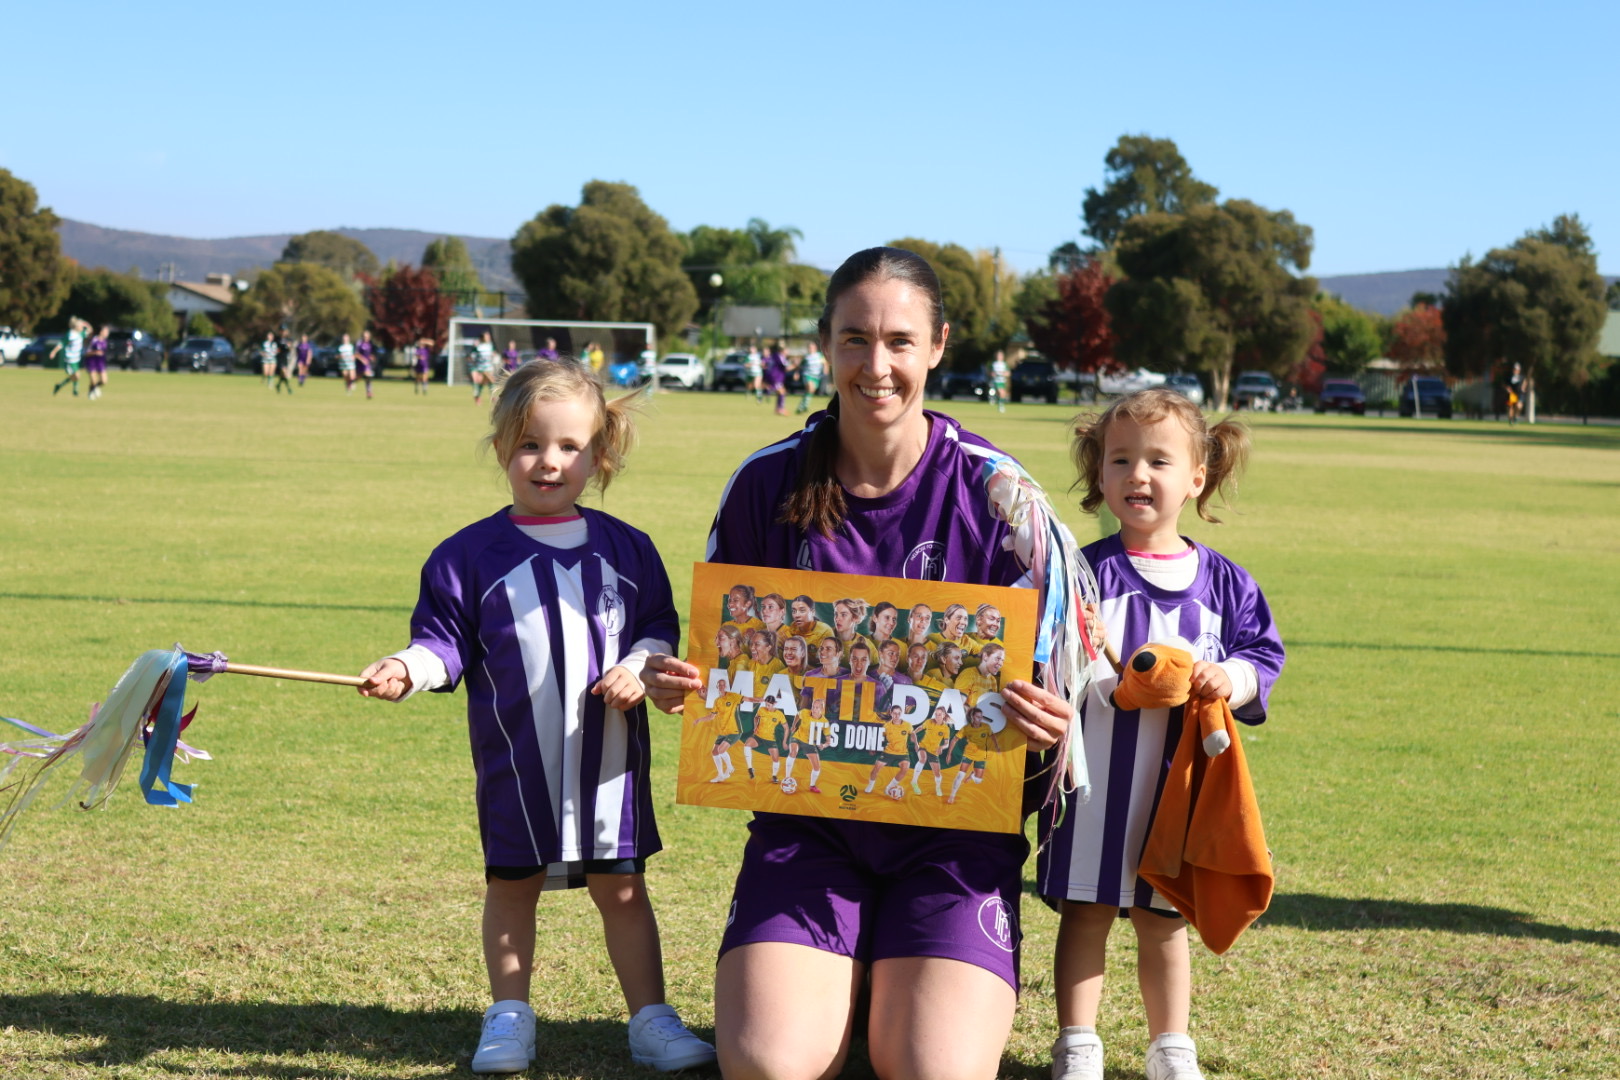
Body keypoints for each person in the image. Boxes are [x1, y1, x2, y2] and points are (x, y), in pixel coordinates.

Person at [641, 246, 1073, 1080]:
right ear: (825, 344)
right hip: (809, 830)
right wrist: (684, 686)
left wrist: (1051, 726)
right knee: (769, 1065)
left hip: (952, 841)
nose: (877, 366)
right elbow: (721, 671)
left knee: (931, 1071)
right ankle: (852, 971)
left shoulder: (1003, 498)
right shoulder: (765, 485)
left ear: (939, 345)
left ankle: (892, 969)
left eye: (900, 341)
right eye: (854, 339)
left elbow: (1058, 706)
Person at [356, 361, 714, 1075]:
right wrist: (406, 669)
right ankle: (510, 1015)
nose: (548, 462)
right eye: (529, 444)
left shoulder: (629, 549)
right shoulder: (465, 556)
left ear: (598, 455)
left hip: (608, 767)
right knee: (512, 885)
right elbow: (442, 644)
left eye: (568, 447)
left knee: (622, 888)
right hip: (517, 766)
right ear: (501, 449)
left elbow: (658, 630)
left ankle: (651, 1020)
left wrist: (643, 666)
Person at [1038, 387, 1285, 1080]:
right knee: (1084, 911)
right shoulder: (1083, 575)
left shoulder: (1226, 583)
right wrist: (1107, 687)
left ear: (1197, 476)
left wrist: (1225, 680)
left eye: (1158, 460)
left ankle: (1170, 1045)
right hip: (1092, 788)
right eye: (1120, 460)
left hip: (1176, 795)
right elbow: (1051, 660)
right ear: (1099, 476)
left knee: (1163, 921)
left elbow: (1262, 657)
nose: (1138, 475)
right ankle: (1077, 1041)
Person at [50, 317, 87, 397]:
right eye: (80, 326)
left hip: (76, 359)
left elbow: (90, 330)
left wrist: (85, 323)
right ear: (76, 326)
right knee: (76, 375)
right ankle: (75, 390)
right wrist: (54, 352)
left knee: (75, 376)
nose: (82, 327)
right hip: (69, 359)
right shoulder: (70, 334)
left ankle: (60, 385)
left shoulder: (81, 333)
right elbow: (61, 344)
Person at [796, 342, 826, 414]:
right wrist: (796, 373)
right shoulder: (806, 357)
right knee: (810, 388)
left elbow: (824, 363)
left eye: (811, 347)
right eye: (809, 347)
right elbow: (800, 366)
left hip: (816, 376)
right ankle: (804, 406)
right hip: (807, 375)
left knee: (810, 392)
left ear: (815, 348)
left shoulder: (819, 355)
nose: (810, 349)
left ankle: (801, 406)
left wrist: (825, 372)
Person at [83, 325, 110, 400]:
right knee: (93, 380)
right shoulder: (93, 340)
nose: (107, 333)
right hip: (91, 361)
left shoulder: (105, 341)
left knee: (104, 381)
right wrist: (95, 352)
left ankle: (94, 388)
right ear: (101, 332)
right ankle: (91, 391)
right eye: (106, 331)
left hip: (100, 362)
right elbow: (86, 352)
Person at [471, 331, 498, 404]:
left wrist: (495, 356)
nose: (488, 338)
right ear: (483, 338)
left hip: (489, 368)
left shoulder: (490, 345)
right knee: (491, 380)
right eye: (487, 336)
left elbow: (493, 354)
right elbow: (472, 356)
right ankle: (493, 397)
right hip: (481, 368)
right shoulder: (478, 346)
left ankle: (478, 396)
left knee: (484, 383)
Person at [764, 343, 789, 415]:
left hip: (774, 376)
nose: (788, 352)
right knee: (782, 392)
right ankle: (780, 409)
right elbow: (786, 367)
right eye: (787, 350)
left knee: (782, 391)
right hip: (775, 377)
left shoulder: (775, 355)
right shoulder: (780, 356)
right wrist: (795, 366)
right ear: (783, 351)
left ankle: (778, 409)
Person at [356, 329, 378, 399]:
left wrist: (372, 357)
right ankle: (352, 382)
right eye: (364, 336)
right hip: (360, 364)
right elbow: (356, 354)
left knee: (368, 376)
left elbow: (372, 354)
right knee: (359, 377)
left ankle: (369, 392)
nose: (365, 338)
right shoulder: (359, 343)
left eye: (367, 336)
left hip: (367, 364)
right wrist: (362, 359)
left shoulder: (370, 344)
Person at [1506, 361, 1524, 425]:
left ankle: (1516, 417)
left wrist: (1523, 387)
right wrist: (1508, 389)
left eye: (1516, 369)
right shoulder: (1509, 377)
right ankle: (1510, 420)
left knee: (1519, 406)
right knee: (1510, 407)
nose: (1515, 370)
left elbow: (1524, 383)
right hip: (1512, 394)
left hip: (1519, 394)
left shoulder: (1521, 377)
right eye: (1514, 369)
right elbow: (1507, 385)